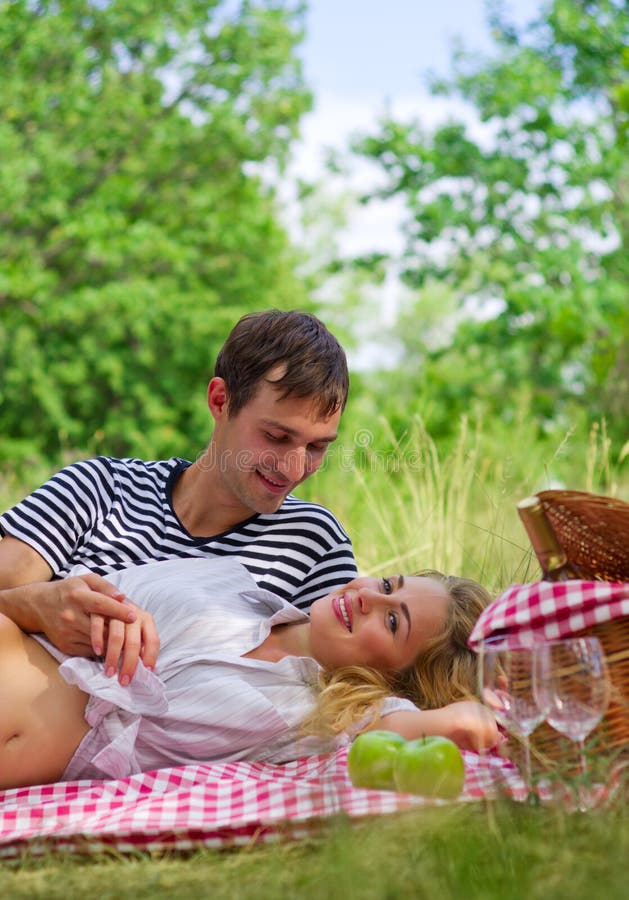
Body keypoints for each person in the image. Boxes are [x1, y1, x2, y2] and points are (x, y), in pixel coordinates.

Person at [0, 310, 358, 681]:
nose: (294, 469)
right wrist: (34, 606)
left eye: (316, 447)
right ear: (220, 401)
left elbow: (356, 689)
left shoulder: (313, 545)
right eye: (276, 437)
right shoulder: (98, 489)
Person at [0, 557, 497, 790]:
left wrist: (478, 709)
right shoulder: (227, 580)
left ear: (397, 680)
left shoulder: (326, 715)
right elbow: (51, 614)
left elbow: (447, 726)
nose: (370, 595)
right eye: (389, 584)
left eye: (392, 621)